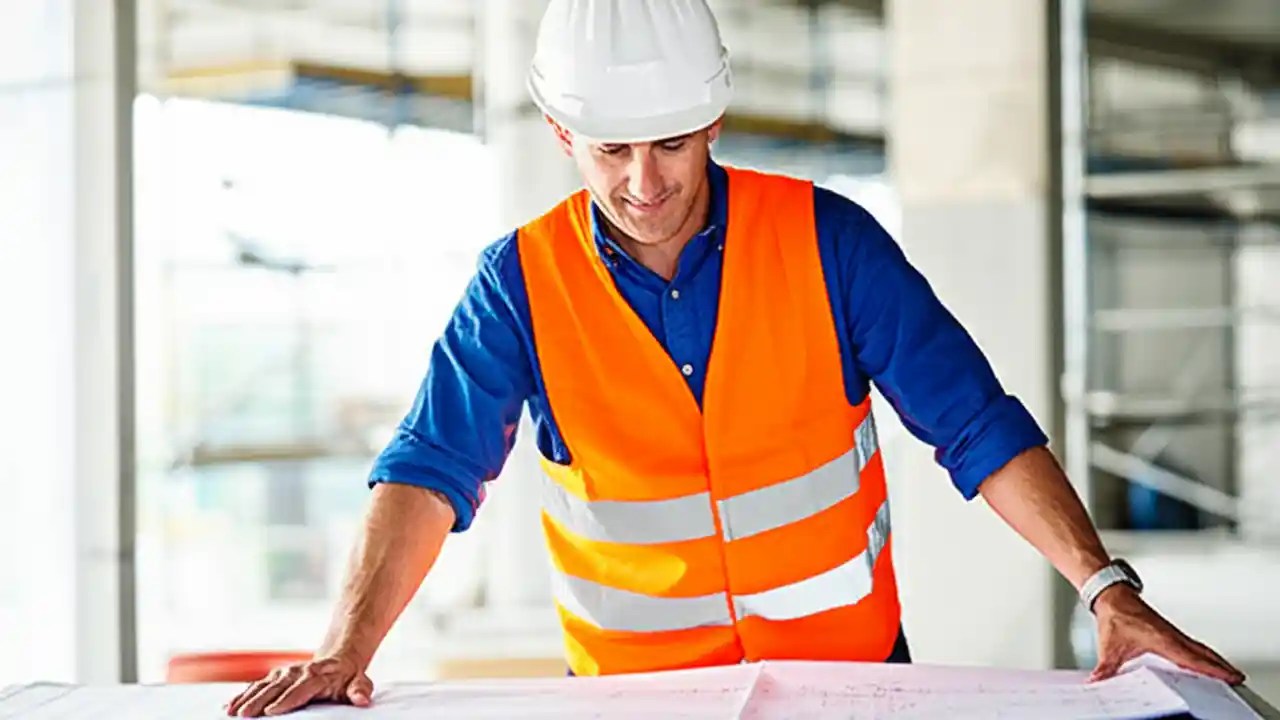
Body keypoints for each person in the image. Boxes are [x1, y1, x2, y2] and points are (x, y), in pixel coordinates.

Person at [224, 0, 1243, 715]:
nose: (642, 183)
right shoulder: (517, 285)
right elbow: (427, 471)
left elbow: (975, 423)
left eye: (668, 144)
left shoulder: (828, 242)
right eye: (609, 150)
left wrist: (1107, 590)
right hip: (629, 704)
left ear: (711, 118)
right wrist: (343, 651)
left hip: (853, 689)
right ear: (560, 134)